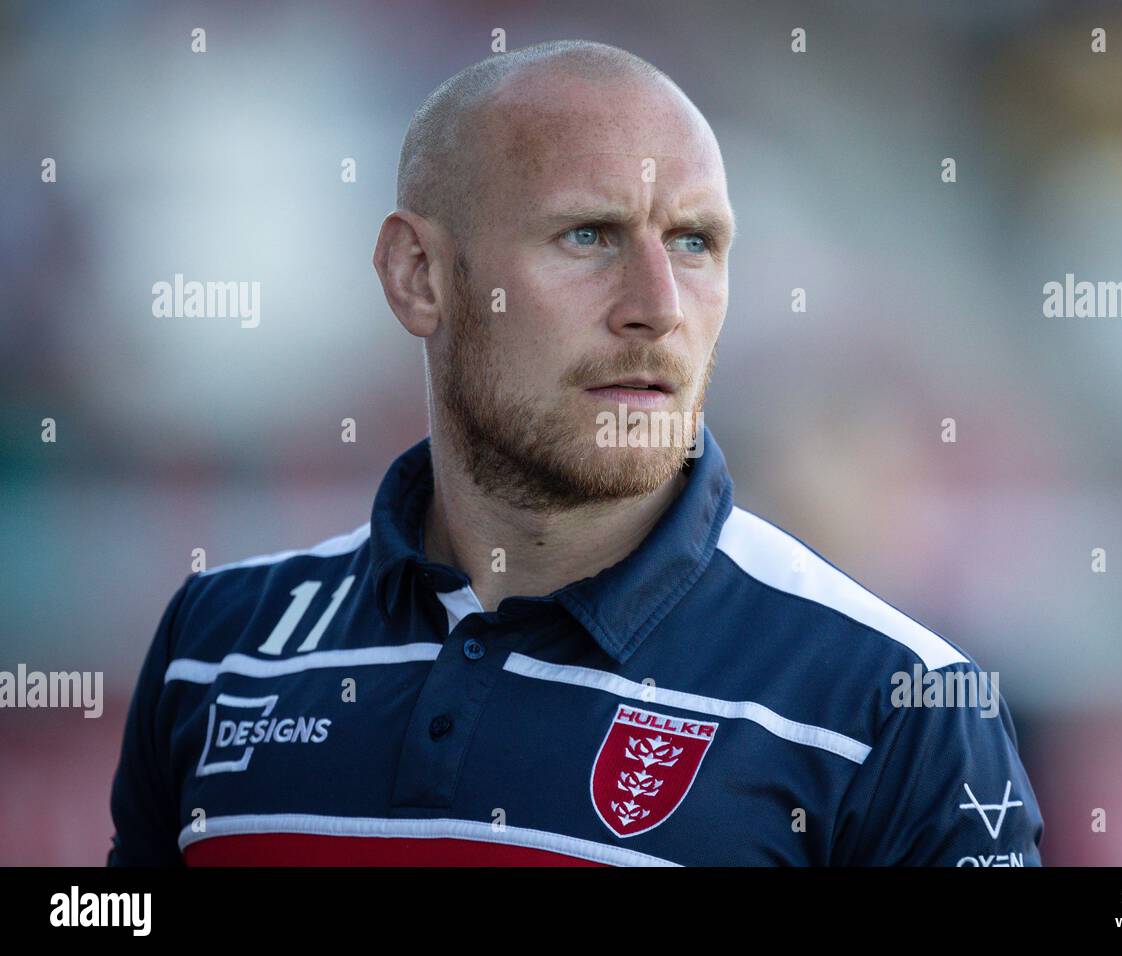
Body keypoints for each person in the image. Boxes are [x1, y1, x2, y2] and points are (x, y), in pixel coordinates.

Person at [108, 39, 1043, 866]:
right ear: (418, 275)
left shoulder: (900, 704)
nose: (658, 305)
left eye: (693, 242)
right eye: (588, 235)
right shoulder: (217, 646)